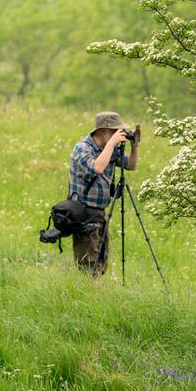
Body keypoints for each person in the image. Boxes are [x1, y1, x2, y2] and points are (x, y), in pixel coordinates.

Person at [67, 111, 139, 276]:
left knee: (101, 258)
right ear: (102, 131)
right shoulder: (82, 148)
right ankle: (87, 292)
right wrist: (112, 143)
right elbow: (97, 167)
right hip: (84, 211)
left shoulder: (107, 149)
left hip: (100, 211)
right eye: (114, 131)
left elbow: (131, 165)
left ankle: (97, 292)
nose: (117, 135)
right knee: (87, 262)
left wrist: (135, 146)